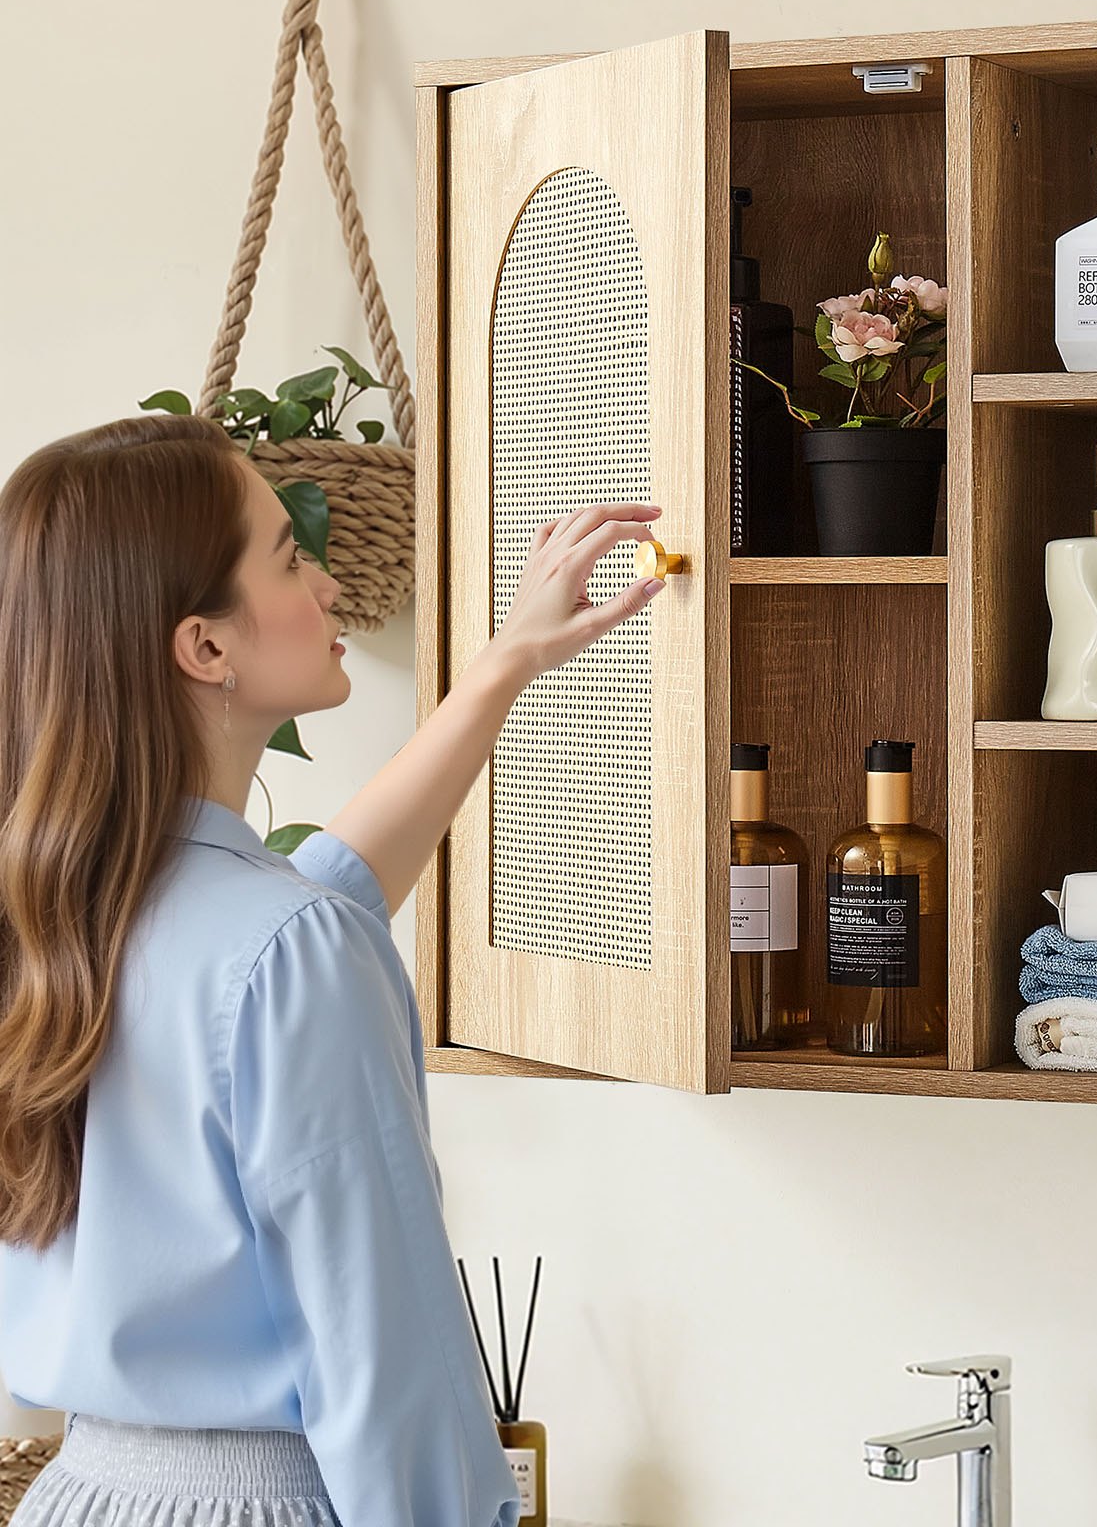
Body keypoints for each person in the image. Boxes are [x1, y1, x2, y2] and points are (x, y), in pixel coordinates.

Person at [0, 413, 667, 1526]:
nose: (328, 586)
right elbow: (387, 1370)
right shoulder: (285, 951)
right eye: (289, 559)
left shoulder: (55, 917)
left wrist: (506, 663)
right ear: (205, 647)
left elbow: (320, 899)